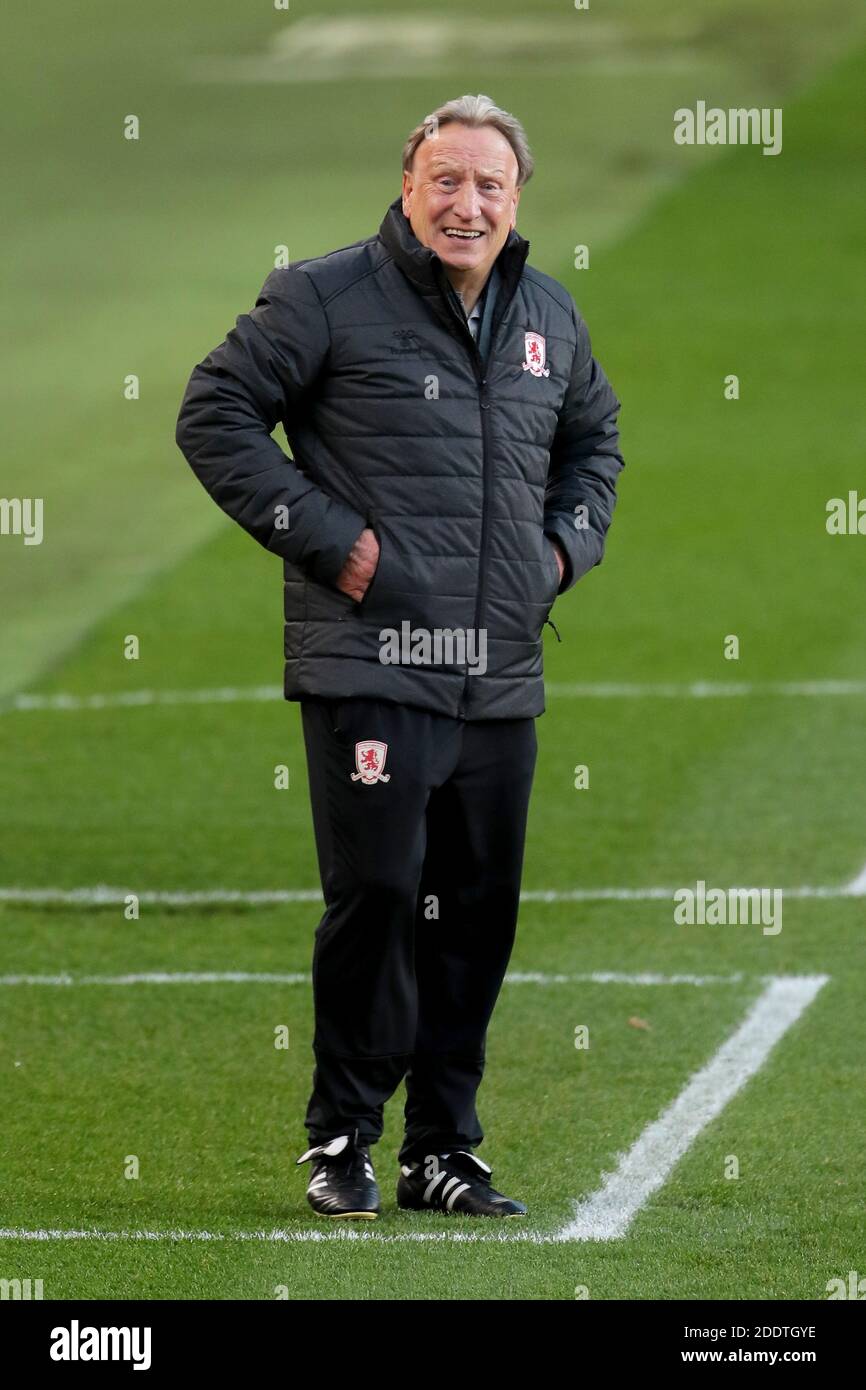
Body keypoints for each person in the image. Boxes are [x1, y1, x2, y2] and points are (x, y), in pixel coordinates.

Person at [175, 93, 624, 1220]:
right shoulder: (323, 294)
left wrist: (559, 556)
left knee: (475, 907)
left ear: (516, 200)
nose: (465, 203)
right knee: (378, 893)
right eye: (446, 180)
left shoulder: (548, 319)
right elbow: (215, 411)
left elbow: (594, 441)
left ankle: (443, 1145)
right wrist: (338, 548)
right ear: (409, 186)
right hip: (371, 658)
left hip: (497, 669)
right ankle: (340, 1135)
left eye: (489, 186)